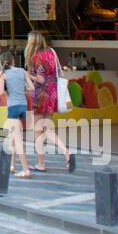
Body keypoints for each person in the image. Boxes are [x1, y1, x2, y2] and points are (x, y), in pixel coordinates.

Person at [24, 31, 75, 172]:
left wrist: (29, 75)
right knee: (47, 128)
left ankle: (41, 164)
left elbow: (41, 79)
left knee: (38, 130)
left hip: (41, 96)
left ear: (32, 42)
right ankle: (66, 152)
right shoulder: (51, 52)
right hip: (53, 94)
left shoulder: (36, 57)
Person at [0, 51, 32, 178]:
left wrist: (9, 91)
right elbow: (32, 88)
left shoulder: (4, 75)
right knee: (13, 137)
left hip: (13, 107)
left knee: (17, 140)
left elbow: (1, 92)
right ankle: (12, 165)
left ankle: (26, 170)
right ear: (13, 60)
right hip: (23, 106)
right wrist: (21, 90)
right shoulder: (22, 71)